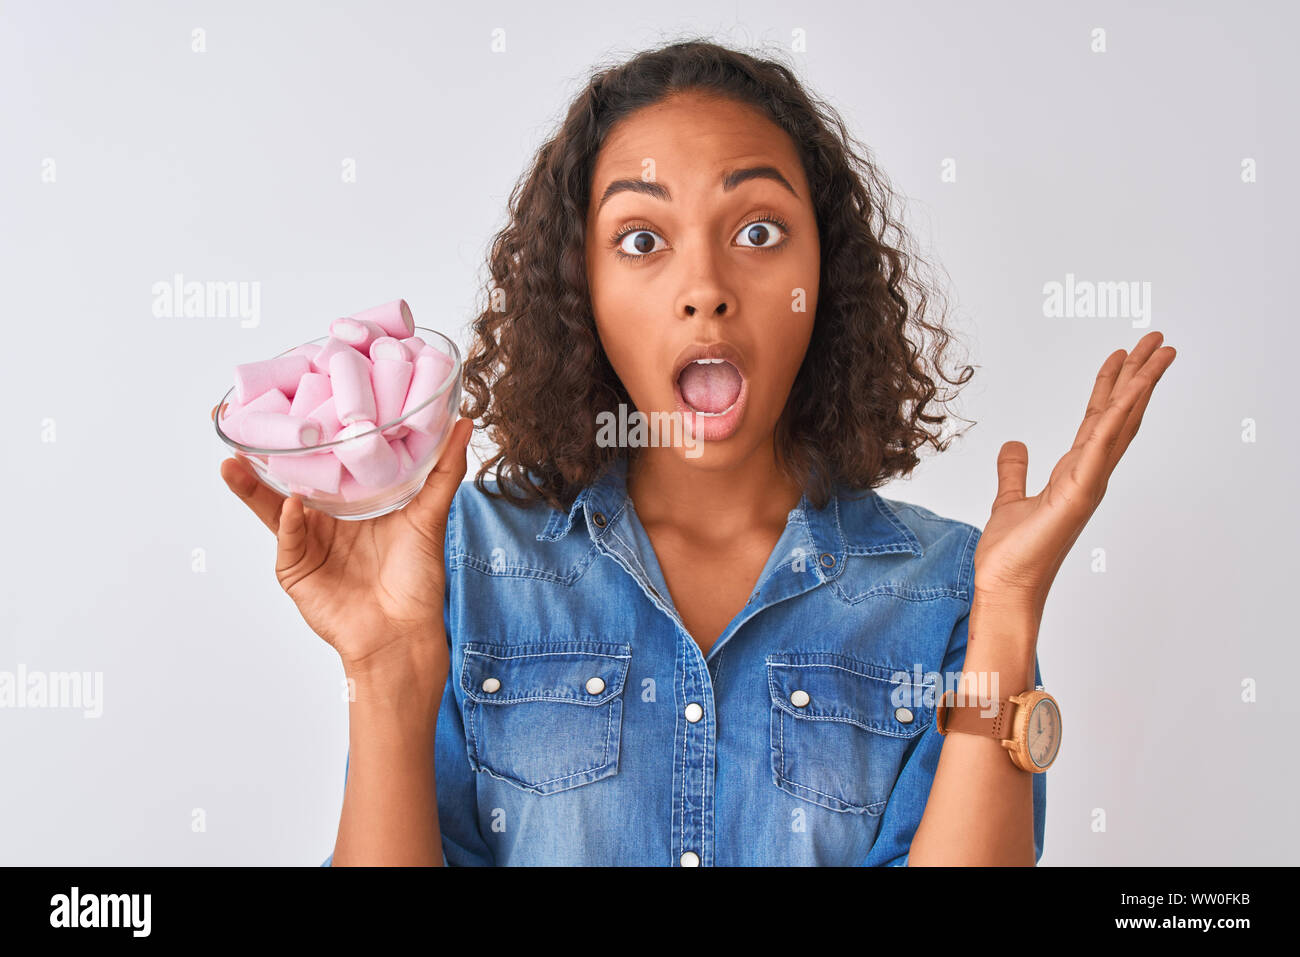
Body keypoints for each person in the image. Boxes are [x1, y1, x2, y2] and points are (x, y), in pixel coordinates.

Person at [219, 39, 1175, 866]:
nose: (705, 287)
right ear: (581, 291)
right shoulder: (463, 561)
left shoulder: (947, 589)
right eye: (641, 239)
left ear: (823, 277)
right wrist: (387, 670)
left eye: (758, 231)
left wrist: (1006, 617)